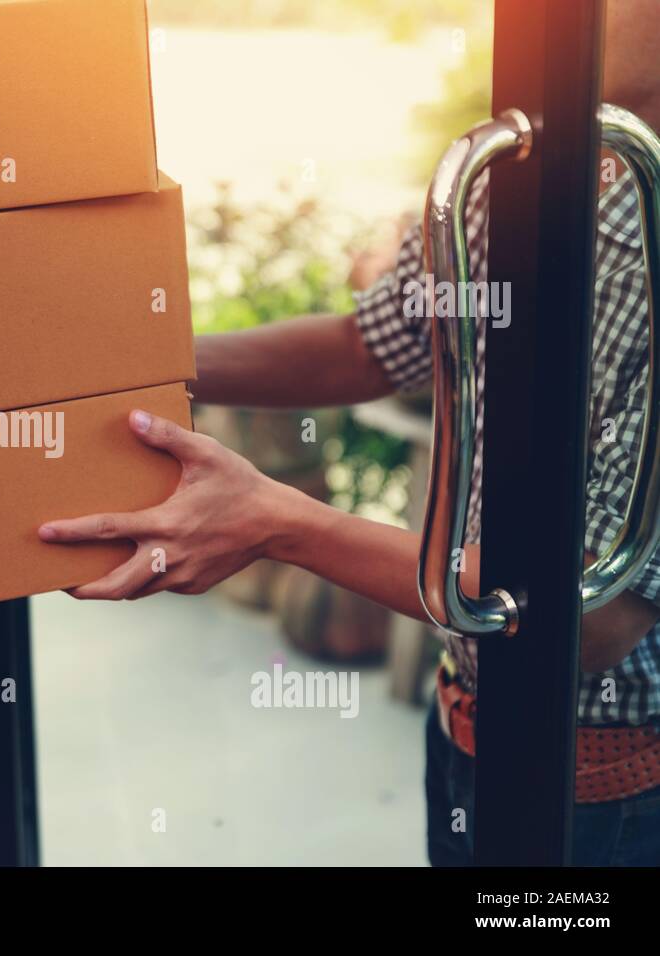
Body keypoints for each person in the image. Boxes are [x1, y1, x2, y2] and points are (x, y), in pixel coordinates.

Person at [42, 0, 660, 866]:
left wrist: (278, 522)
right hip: (469, 729)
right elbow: (370, 346)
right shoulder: (523, 171)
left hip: (613, 795)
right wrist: (142, 365)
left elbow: (590, 616)